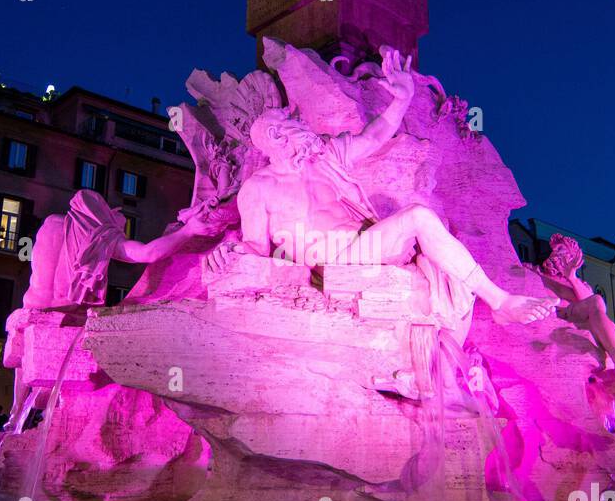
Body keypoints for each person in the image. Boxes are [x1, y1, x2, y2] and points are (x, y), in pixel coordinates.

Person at [205, 49, 554, 328]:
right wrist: (227, 249)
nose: (299, 119)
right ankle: (501, 302)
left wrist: (402, 98)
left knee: (443, 259)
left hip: (368, 245)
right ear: (277, 136)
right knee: (418, 217)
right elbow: (254, 245)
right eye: (291, 120)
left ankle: (463, 353)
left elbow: (375, 135)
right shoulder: (258, 189)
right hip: (333, 266)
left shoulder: (326, 155)